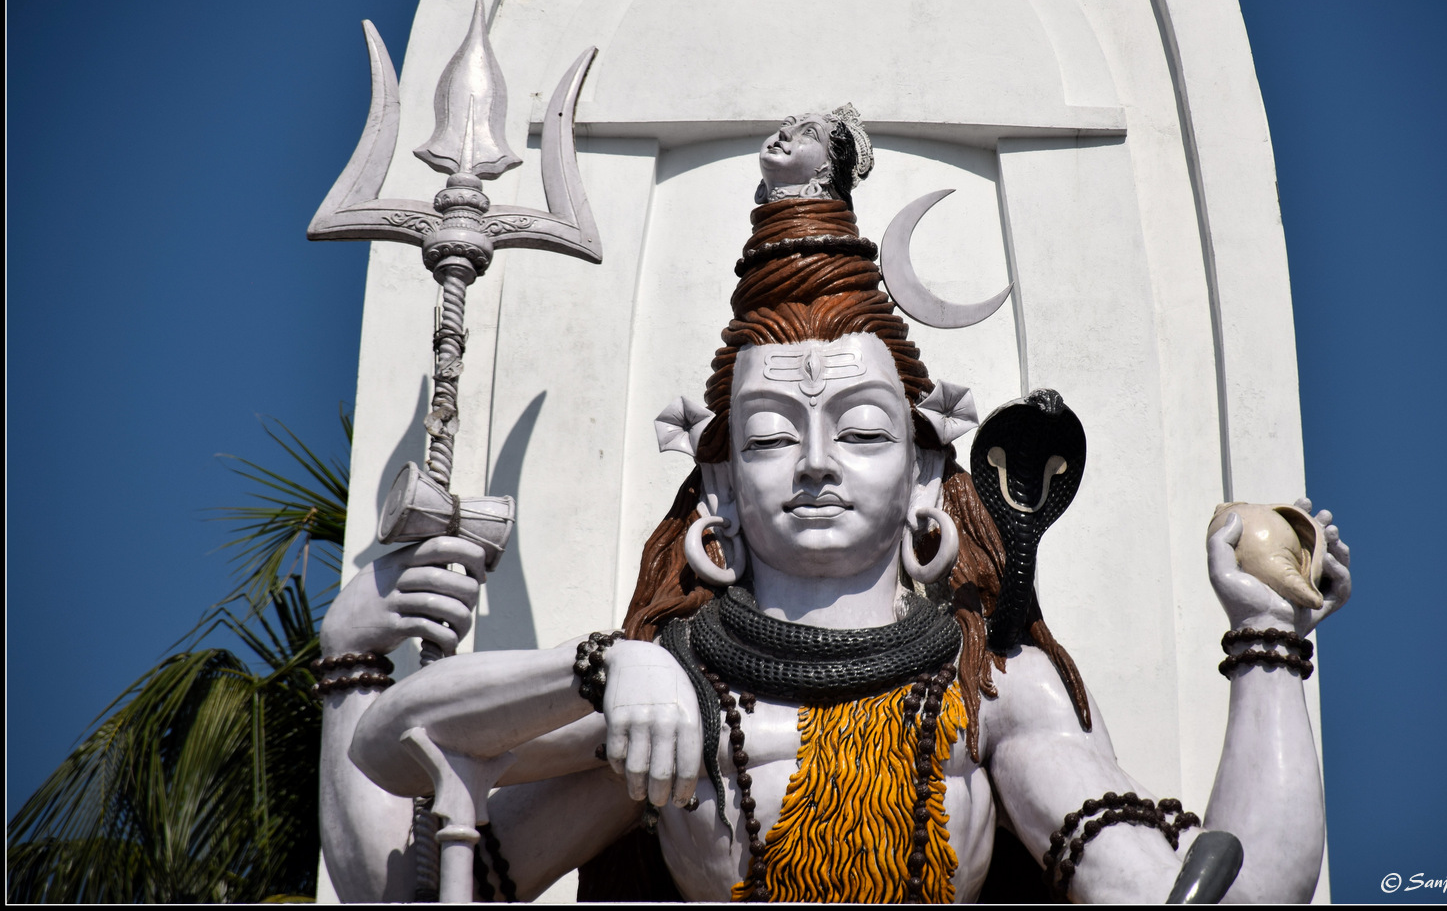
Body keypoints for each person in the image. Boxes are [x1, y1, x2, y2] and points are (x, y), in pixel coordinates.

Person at [317, 107, 1352, 903]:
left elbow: (1218, 890)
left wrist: (1268, 640)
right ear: (718, 490)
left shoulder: (993, 688)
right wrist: (358, 662)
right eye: (769, 434)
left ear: (921, 476)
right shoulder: (668, 702)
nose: (814, 461)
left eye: (860, 429)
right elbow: (402, 878)